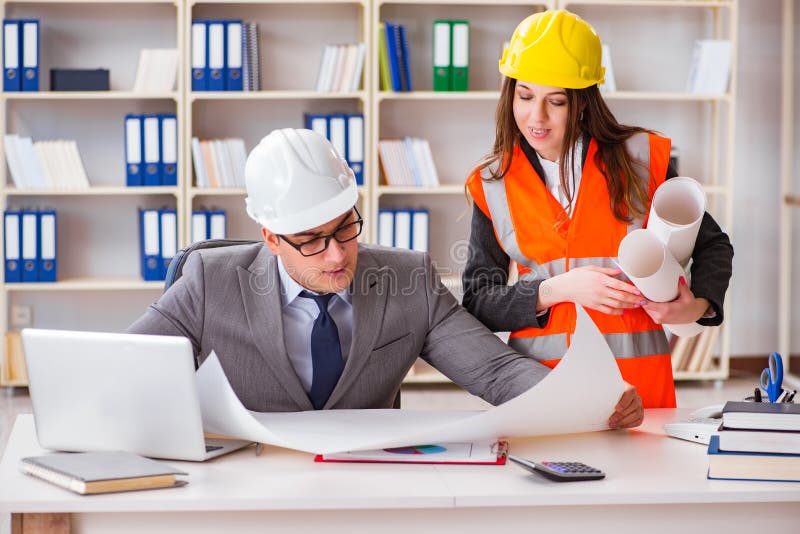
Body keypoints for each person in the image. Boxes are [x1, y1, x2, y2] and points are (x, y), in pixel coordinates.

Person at [128, 127, 643, 427]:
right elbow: (118, 372)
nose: (336, 256)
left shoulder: (408, 279)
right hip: (247, 486)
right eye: (311, 240)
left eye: (345, 227)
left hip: (365, 484)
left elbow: (496, 373)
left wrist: (586, 399)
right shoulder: (207, 282)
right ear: (269, 237)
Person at [463, 10, 733, 409]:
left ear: (584, 103)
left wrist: (697, 305)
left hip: (639, 394)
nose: (536, 117)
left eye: (556, 101)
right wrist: (557, 290)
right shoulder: (494, 183)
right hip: (540, 392)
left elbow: (713, 245)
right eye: (525, 96)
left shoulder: (640, 161)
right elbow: (479, 301)